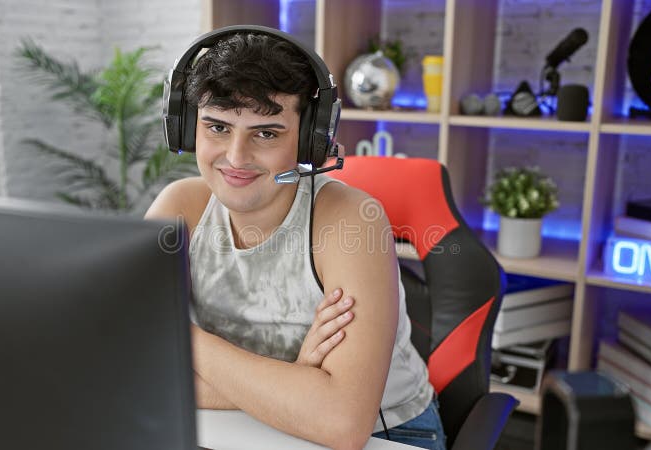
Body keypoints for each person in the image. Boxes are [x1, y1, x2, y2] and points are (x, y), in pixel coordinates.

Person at [146, 27, 444, 450]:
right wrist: (293, 380)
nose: (235, 157)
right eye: (216, 127)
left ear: (310, 140)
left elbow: (341, 423)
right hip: (241, 427)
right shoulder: (181, 207)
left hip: (390, 435)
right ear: (187, 127)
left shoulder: (351, 221)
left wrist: (185, 339)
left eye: (266, 133)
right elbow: (129, 366)